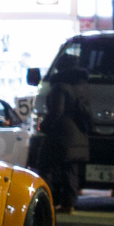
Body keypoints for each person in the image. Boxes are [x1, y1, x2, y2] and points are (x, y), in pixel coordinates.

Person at [39, 68, 92, 214]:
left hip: (61, 135)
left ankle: (45, 201)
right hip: (79, 135)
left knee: (45, 166)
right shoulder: (82, 88)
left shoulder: (60, 88)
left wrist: (45, 126)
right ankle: (69, 204)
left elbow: (56, 111)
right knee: (70, 170)